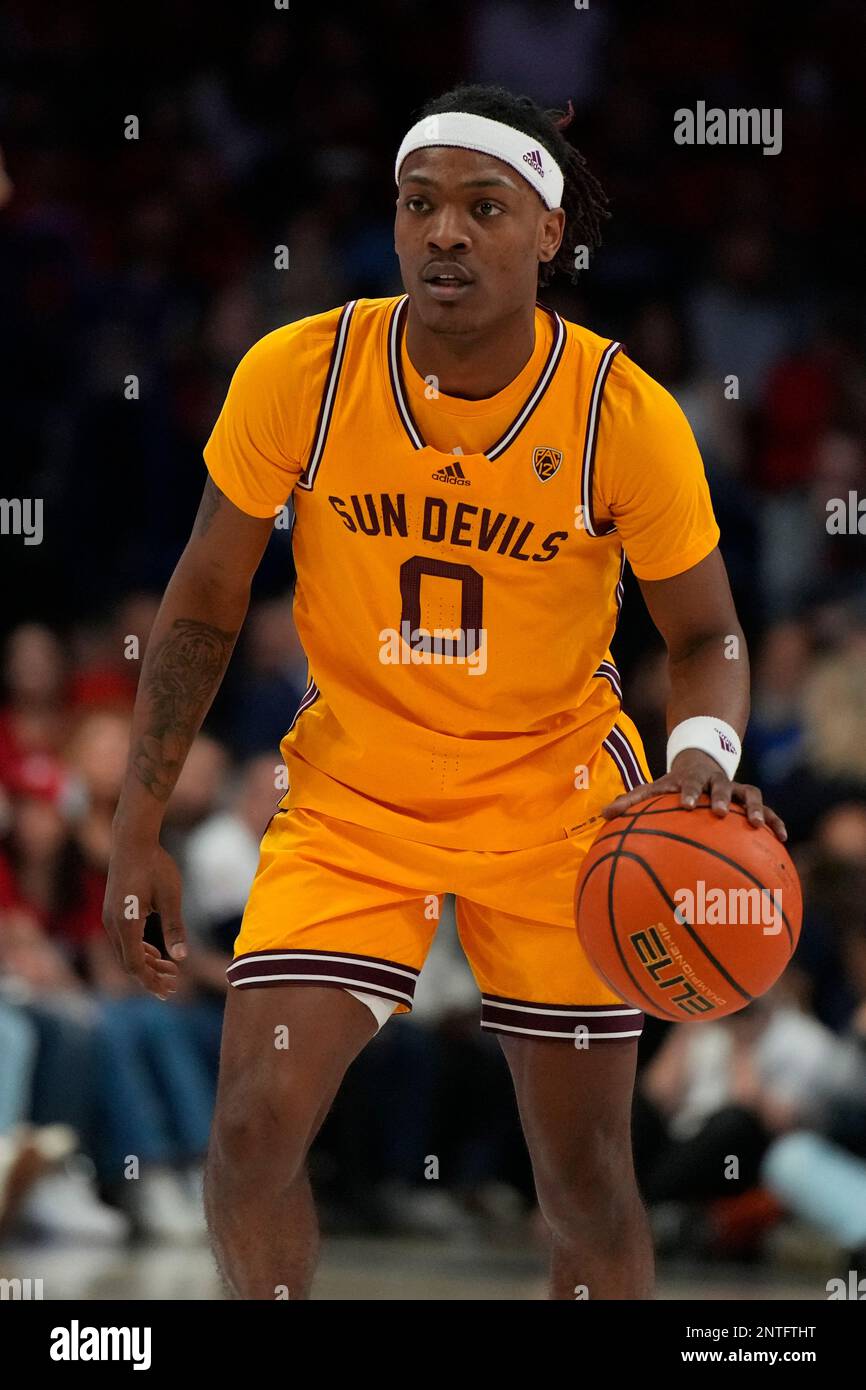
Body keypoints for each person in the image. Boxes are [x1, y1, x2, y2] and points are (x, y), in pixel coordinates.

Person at [102, 82, 786, 1300]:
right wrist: (136, 825)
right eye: (420, 205)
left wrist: (701, 759)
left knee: (581, 1178)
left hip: (560, 810)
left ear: (549, 231)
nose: (444, 233)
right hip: (354, 801)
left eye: (483, 206)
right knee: (252, 1134)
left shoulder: (619, 413)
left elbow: (709, 635)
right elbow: (203, 602)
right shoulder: (299, 373)